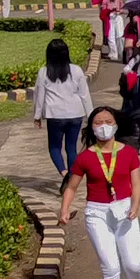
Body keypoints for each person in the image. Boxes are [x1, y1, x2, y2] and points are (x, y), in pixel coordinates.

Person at [58, 106, 140, 279]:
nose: (104, 126)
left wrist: (135, 205)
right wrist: (64, 209)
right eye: (98, 123)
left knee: (134, 264)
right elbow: (71, 186)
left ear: (116, 125)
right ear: (91, 127)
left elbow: (136, 183)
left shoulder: (128, 152)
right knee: (110, 265)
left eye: (108, 121)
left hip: (125, 210)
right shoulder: (85, 157)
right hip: (97, 213)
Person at [33, 37, 93, 185]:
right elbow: (84, 95)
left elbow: (39, 95)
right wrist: (91, 116)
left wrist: (37, 115)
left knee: (54, 147)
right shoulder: (76, 70)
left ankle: (64, 172)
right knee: (71, 147)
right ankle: (72, 176)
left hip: (55, 115)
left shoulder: (44, 72)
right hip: (75, 114)